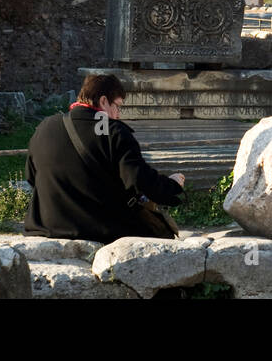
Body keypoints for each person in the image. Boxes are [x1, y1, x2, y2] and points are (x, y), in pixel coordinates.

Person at [25, 73, 186, 244]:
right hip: (100, 231)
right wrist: (172, 186)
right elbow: (138, 180)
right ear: (103, 101)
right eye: (117, 106)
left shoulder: (45, 127)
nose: (117, 114)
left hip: (46, 227)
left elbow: (31, 177)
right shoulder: (113, 131)